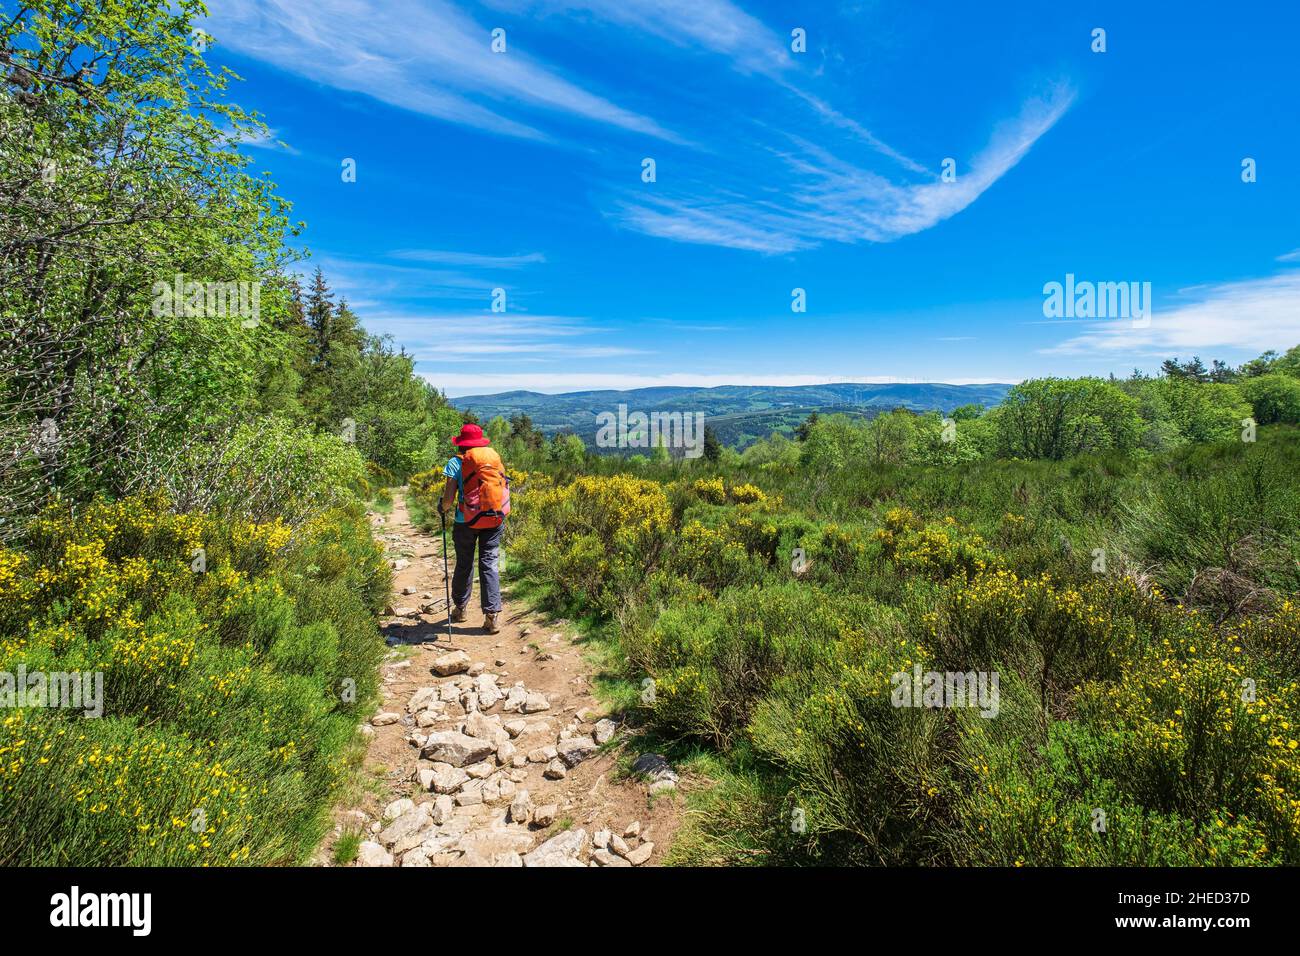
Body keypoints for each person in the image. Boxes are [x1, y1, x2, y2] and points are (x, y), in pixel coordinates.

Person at [438, 423, 509, 634]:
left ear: (460, 443)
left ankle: (460, 609)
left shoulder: (454, 463)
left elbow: (448, 500)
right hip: (494, 519)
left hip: (465, 521)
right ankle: (492, 616)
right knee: (489, 563)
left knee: (464, 564)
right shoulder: (491, 461)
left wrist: (441, 507)